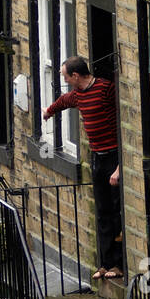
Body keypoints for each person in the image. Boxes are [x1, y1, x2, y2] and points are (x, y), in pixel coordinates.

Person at [43, 55, 123, 280]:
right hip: (98, 159)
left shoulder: (106, 89)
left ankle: (119, 265)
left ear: (76, 75)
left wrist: (120, 167)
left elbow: (124, 125)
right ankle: (106, 265)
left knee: (117, 214)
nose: (65, 80)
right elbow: (63, 102)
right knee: (103, 213)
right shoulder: (78, 95)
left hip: (114, 157)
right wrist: (48, 112)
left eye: (65, 76)